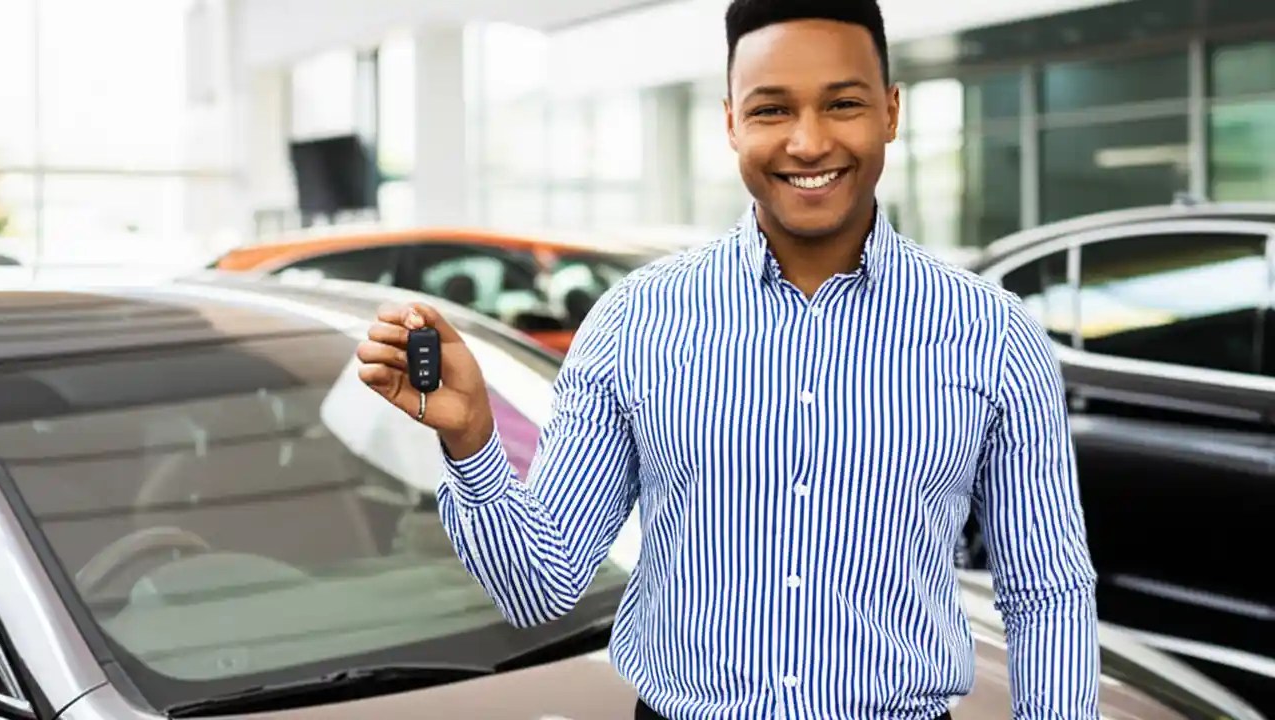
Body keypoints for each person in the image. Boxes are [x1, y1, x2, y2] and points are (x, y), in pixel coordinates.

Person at [355, 0, 1101, 717]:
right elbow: (540, 586)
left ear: (891, 111)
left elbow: (1048, 593)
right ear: (731, 123)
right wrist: (473, 437)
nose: (808, 143)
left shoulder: (994, 335)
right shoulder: (638, 321)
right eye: (772, 109)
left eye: (842, 104)